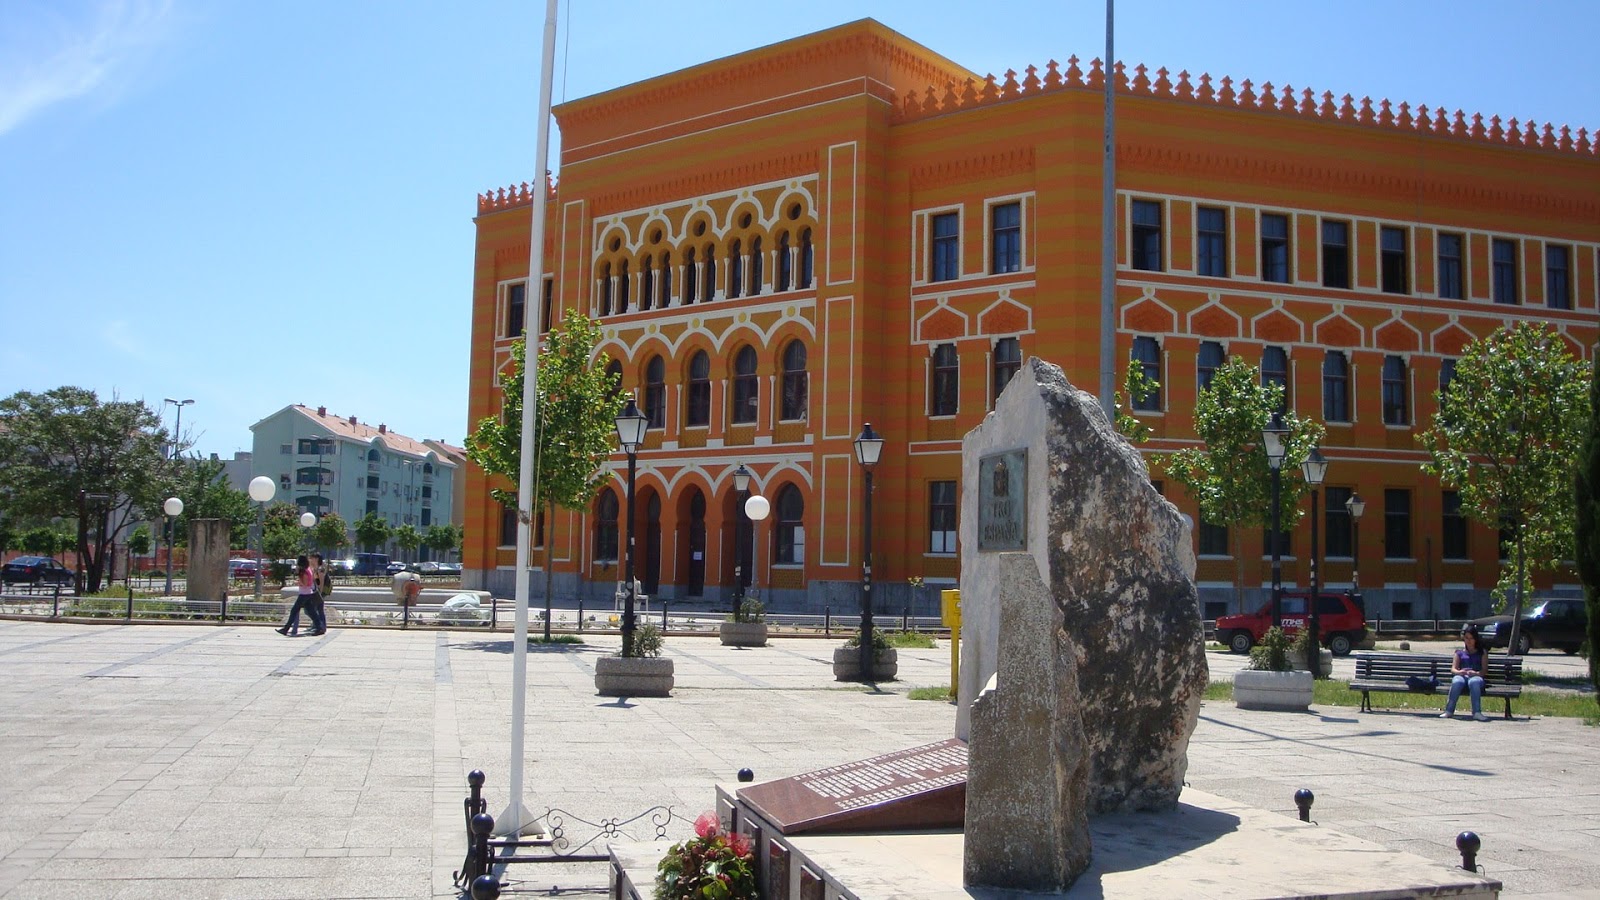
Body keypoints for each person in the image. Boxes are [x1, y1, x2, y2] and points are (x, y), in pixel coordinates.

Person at [1441, 624, 1490, 721]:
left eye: (1471, 638)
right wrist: (1460, 672)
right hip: (1462, 675)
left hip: (1476, 676)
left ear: (1475, 639)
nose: (1469, 641)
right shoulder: (1459, 653)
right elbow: (1453, 669)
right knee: (1457, 682)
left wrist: (1475, 673)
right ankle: (1449, 711)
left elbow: (1484, 670)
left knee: (1474, 682)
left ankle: (1477, 712)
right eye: (1466, 638)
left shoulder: (1482, 652)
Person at [277, 556, 316, 636]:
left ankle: (286, 628)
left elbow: (305, 584)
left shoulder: (305, 571)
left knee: (294, 611)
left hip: (304, 594)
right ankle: (319, 626)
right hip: (307, 593)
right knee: (312, 612)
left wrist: (298, 582)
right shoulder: (309, 569)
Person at [305, 552, 329, 636]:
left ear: (316, 559)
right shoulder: (316, 568)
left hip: (319, 592)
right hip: (316, 592)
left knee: (316, 610)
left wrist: (320, 593)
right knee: (315, 610)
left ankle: (321, 626)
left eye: (311, 558)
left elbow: (321, 582)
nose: (310, 560)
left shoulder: (320, 569)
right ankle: (317, 625)